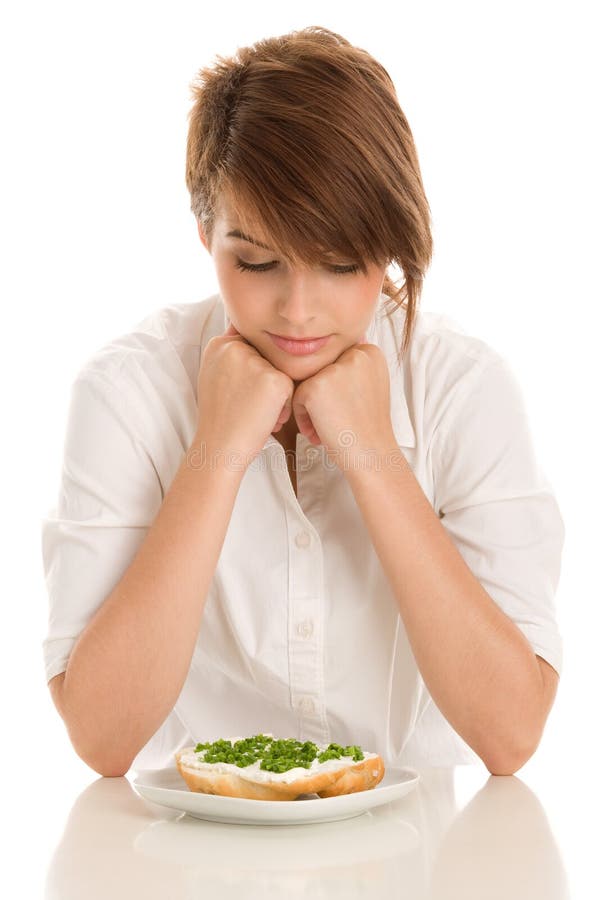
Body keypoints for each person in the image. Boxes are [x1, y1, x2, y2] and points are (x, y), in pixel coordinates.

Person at [41, 25, 564, 778]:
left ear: (387, 249)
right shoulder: (126, 392)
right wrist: (215, 454)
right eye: (255, 261)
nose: (297, 311)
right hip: (180, 868)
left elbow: (511, 734)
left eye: (341, 262)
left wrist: (376, 459)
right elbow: (101, 738)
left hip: (417, 869)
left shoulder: (464, 388)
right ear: (205, 235)